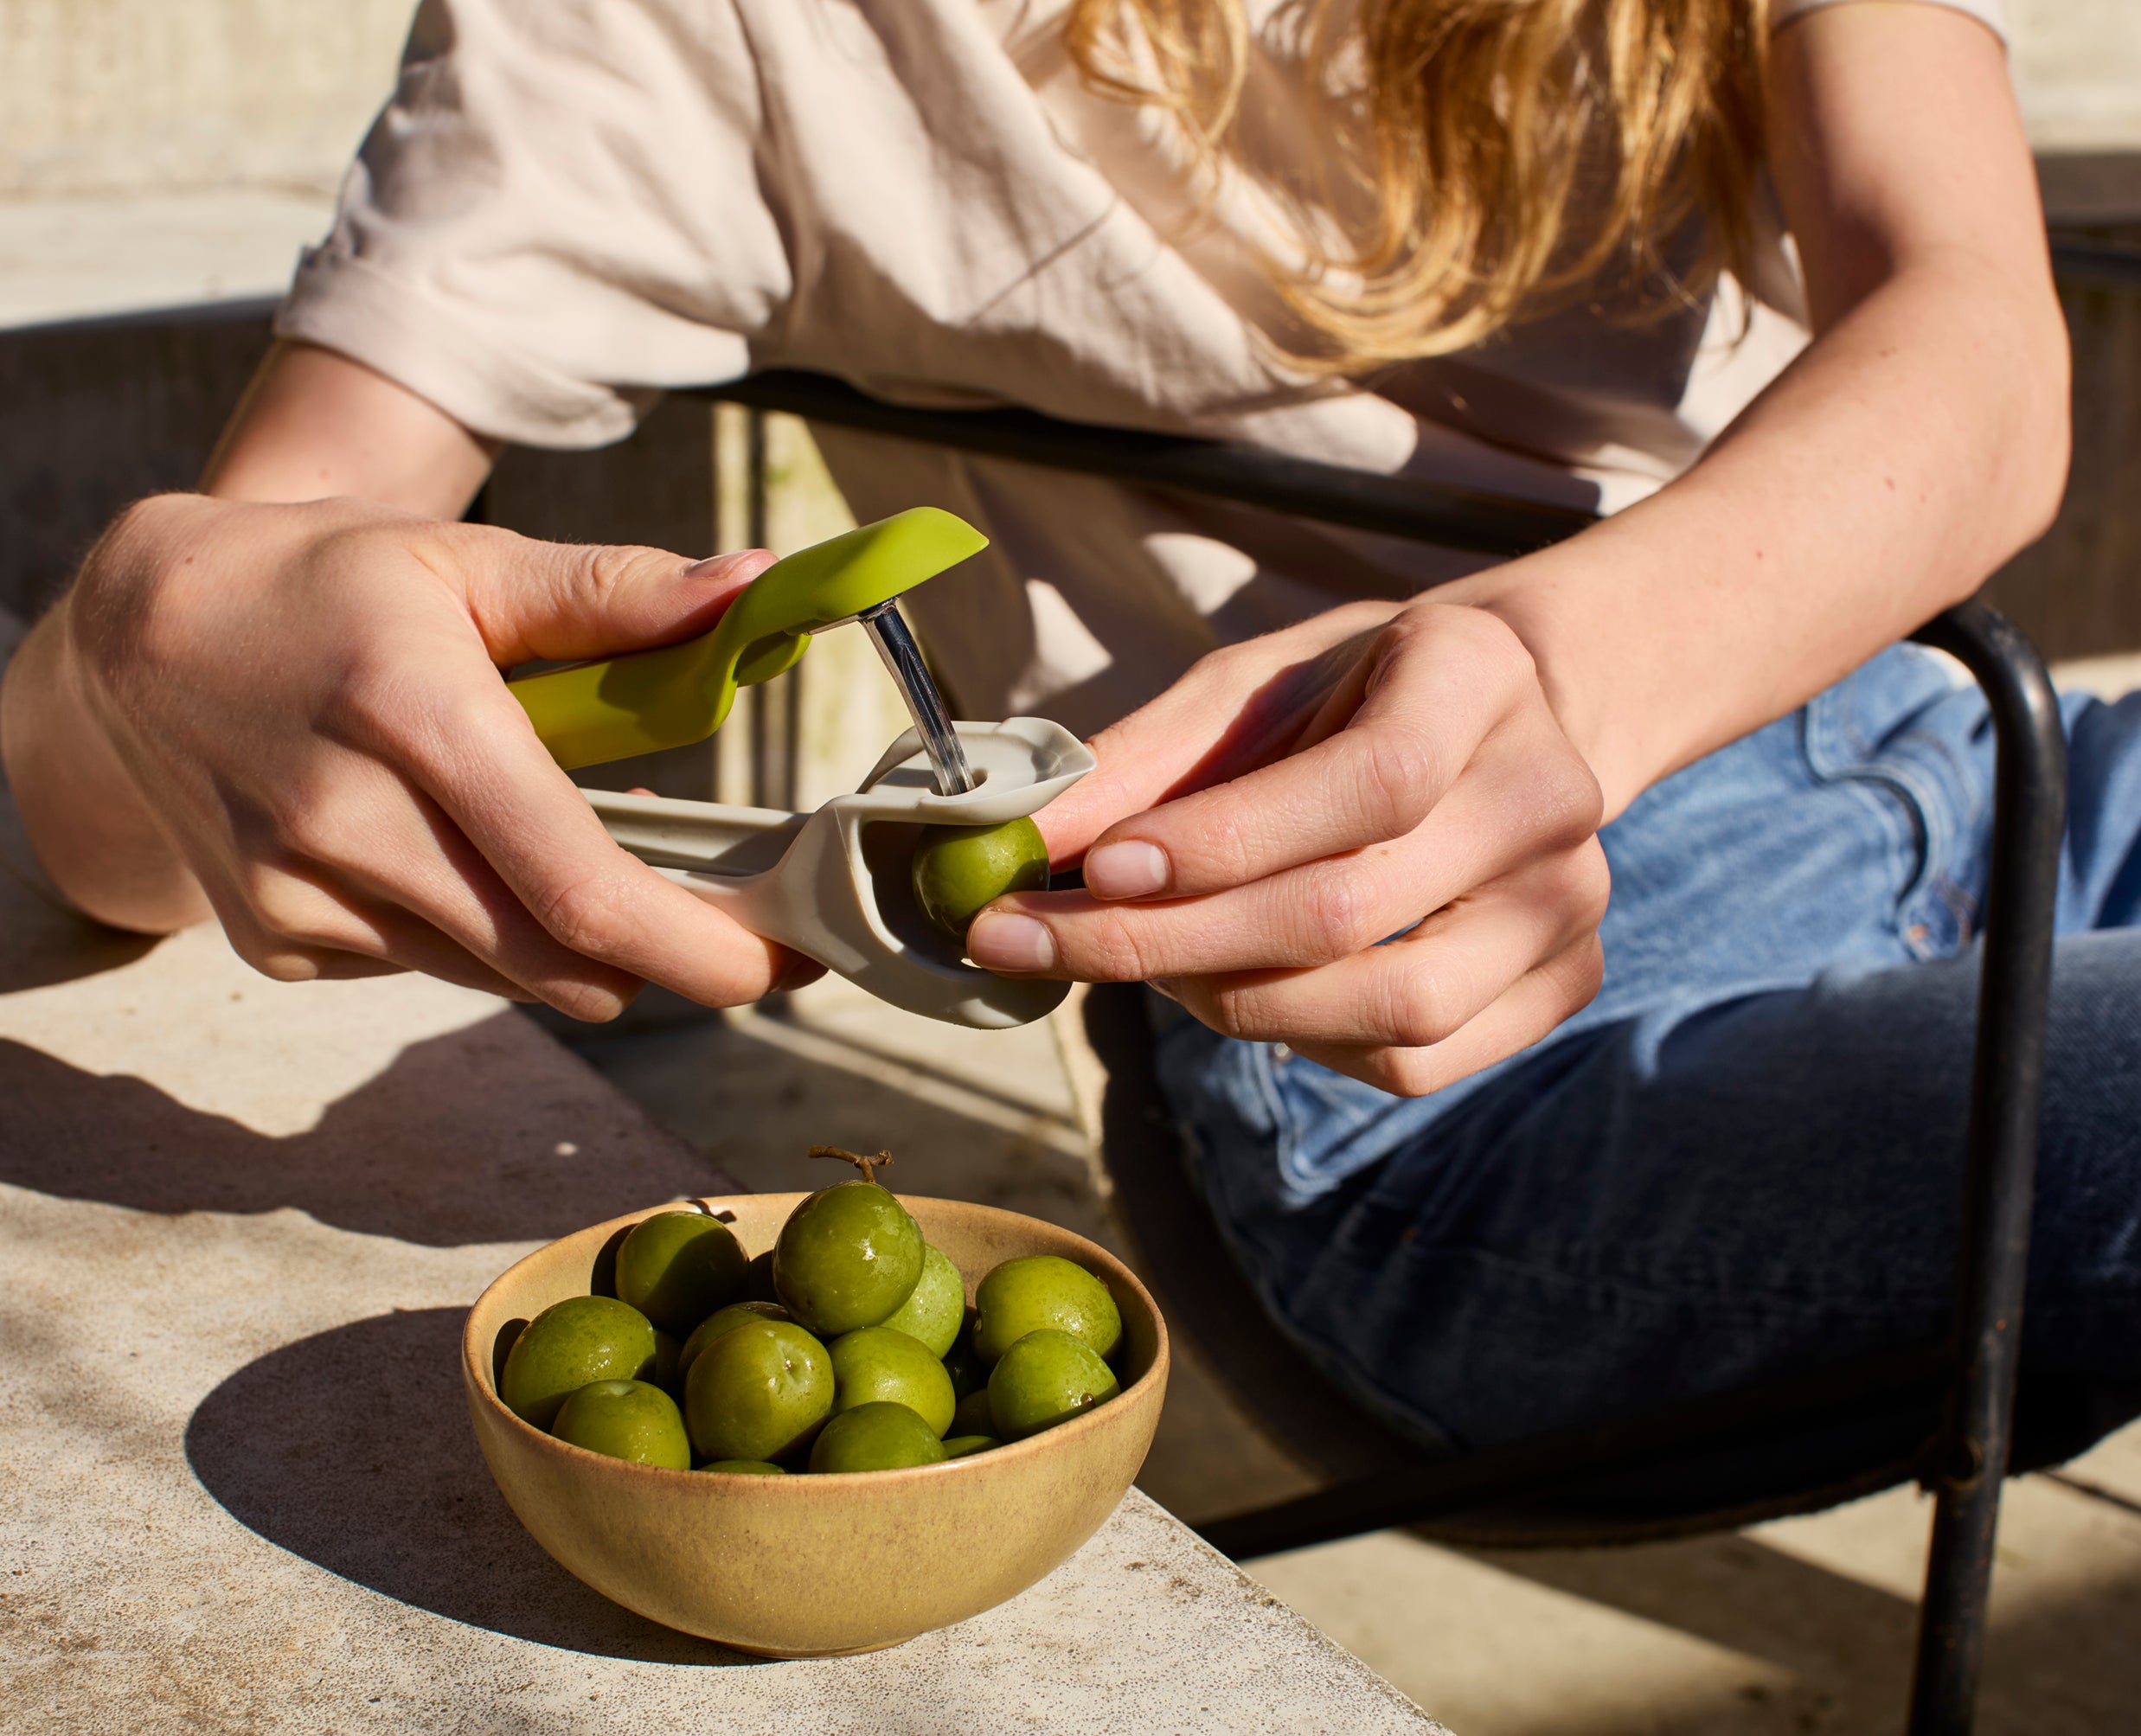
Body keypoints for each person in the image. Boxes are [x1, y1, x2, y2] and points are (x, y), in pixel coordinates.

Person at [3, 0, 2134, 1456]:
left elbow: (1975, 341)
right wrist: (138, 641)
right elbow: (151, 740)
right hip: (1429, 1047)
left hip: (1959, 754)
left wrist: (1567, 675)